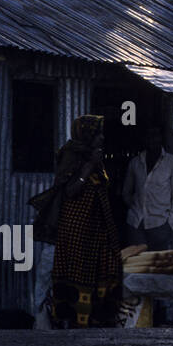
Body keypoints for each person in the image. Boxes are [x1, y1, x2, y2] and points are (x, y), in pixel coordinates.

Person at [50, 115, 123, 328]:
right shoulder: (71, 155)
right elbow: (69, 191)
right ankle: (72, 320)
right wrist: (88, 166)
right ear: (88, 134)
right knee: (76, 272)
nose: (102, 137)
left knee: (103, 270)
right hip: (77, 227)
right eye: (98, 132)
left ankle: (94, 320)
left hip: (96, 228)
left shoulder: (95, 157)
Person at [123, 126, 173, 251]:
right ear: (144, 139)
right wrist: (135, 207)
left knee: (156, 266)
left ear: (161, 138)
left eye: (155, 135)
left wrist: (170, 223)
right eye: (149, 136)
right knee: (138, 266)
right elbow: (126, 192)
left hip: (160, 226)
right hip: (136, 225)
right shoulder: (135, 163)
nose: (152, 139)